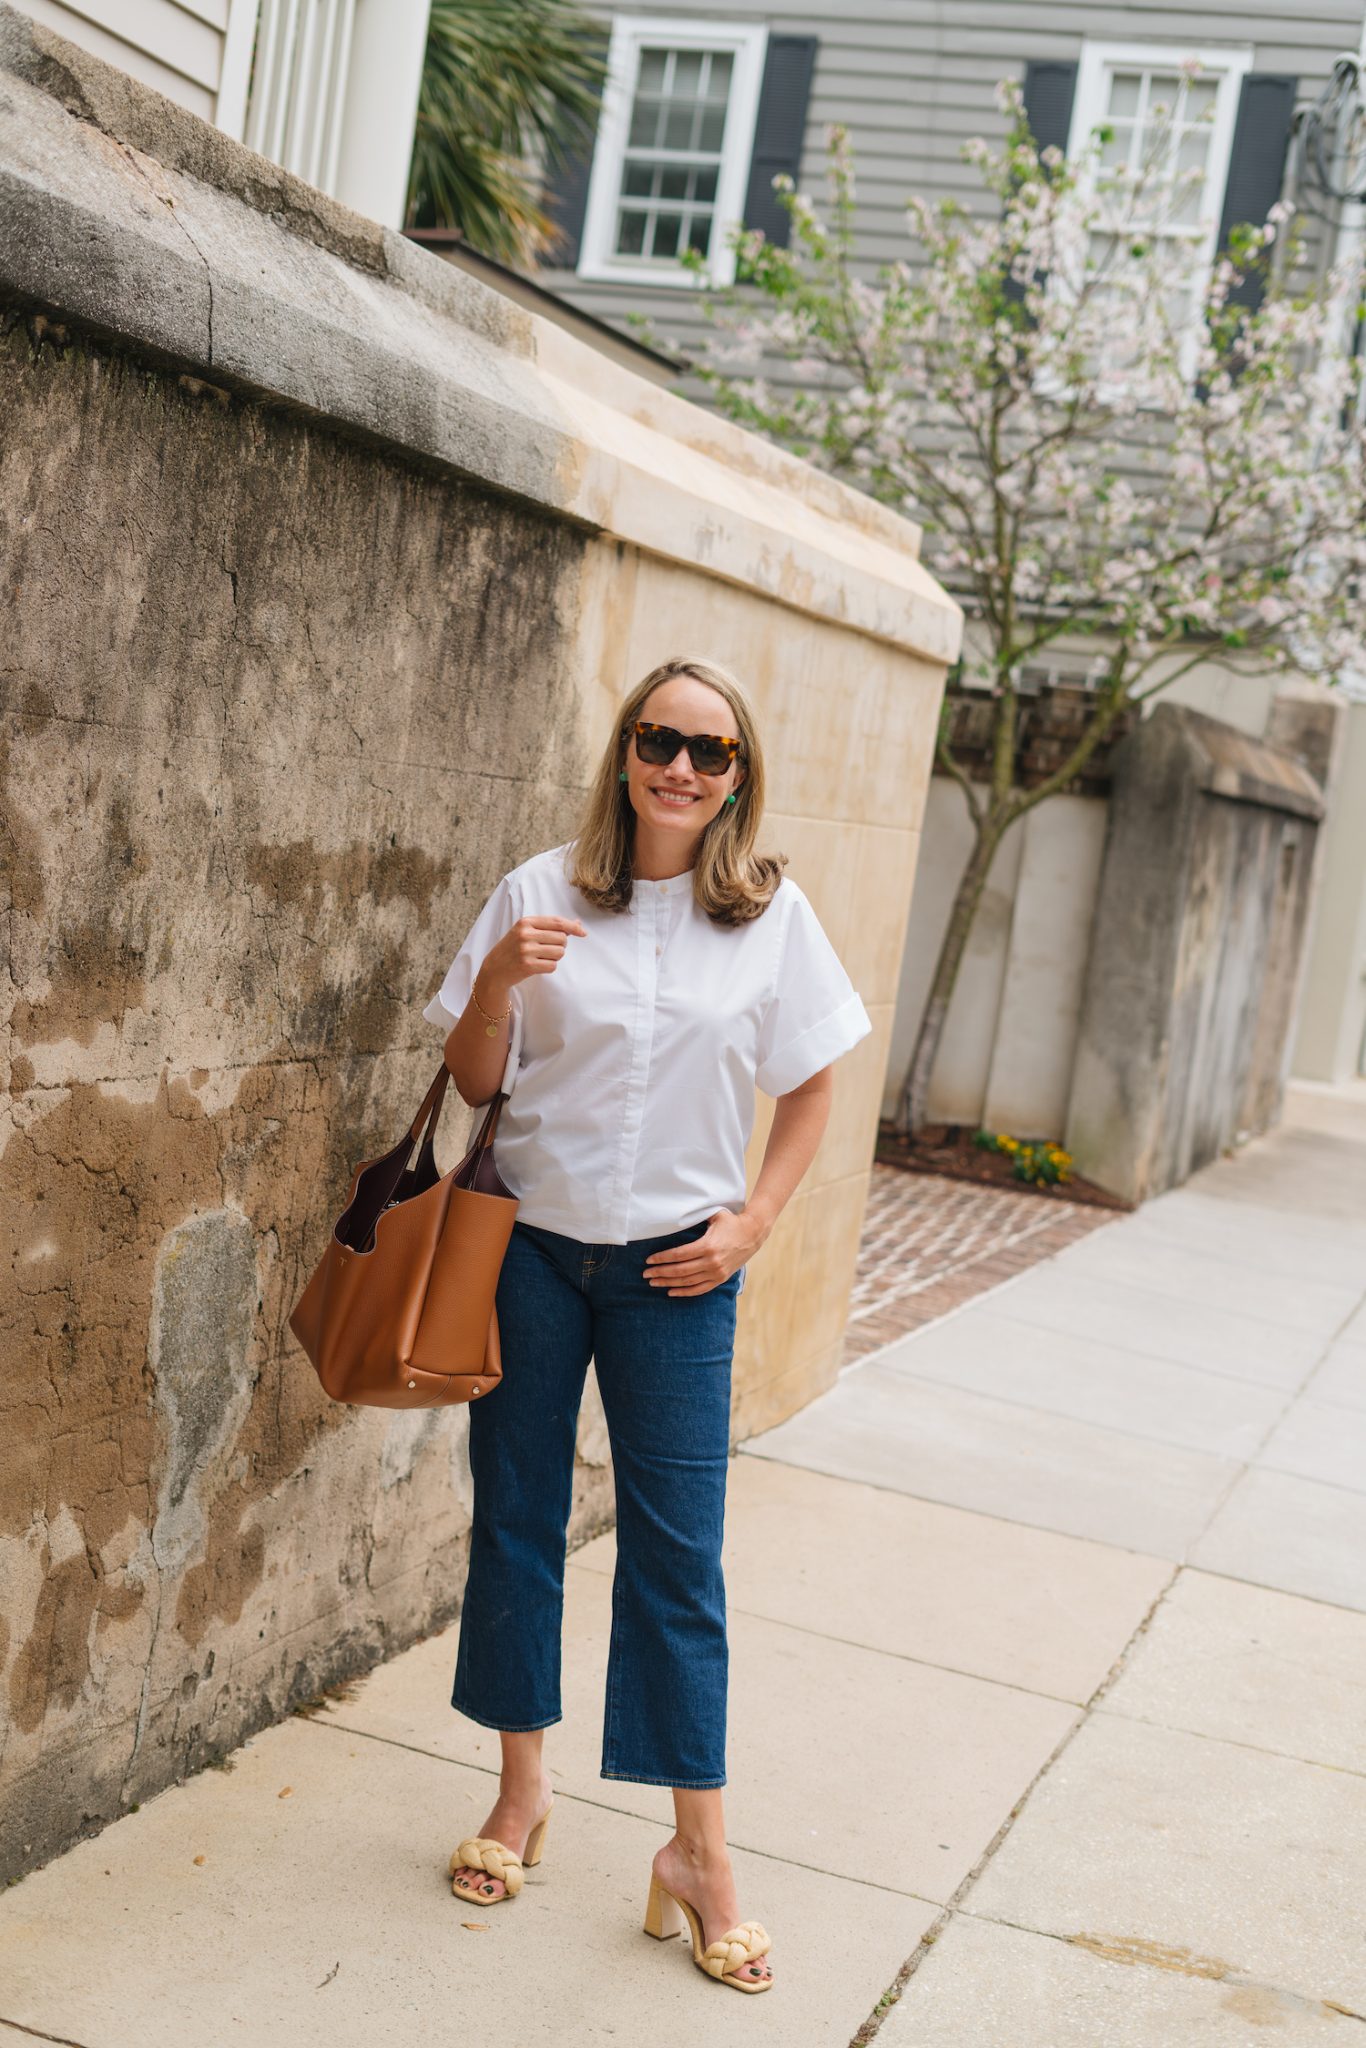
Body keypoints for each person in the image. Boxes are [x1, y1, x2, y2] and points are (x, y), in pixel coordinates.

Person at [423, 655, 871, 1995]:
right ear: (624, 751)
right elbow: (471, 1077)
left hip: (682, 1270)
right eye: (659, 739)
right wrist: (498, 980)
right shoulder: (536, 891)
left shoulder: (771, 917)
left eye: (710, 752)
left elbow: (809, 1088)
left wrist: (751, 1225)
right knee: (515, 1514)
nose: (681, 767)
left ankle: (698, 1855)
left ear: (738, 776)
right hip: (532, 1256)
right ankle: (521, 1794)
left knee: (680, 1559)